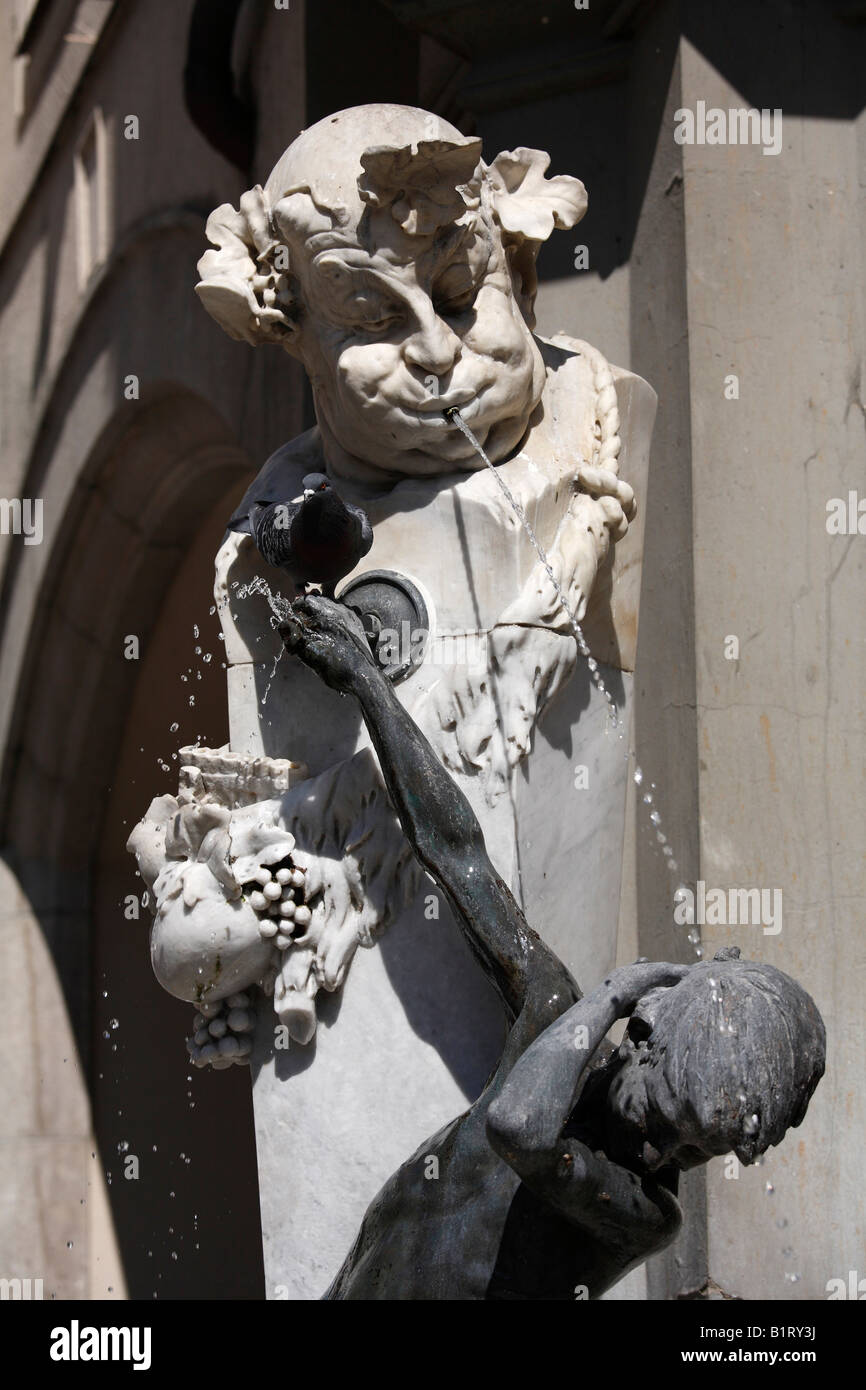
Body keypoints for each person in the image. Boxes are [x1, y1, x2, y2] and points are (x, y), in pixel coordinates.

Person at [279, 593, 826, 1301]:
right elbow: (457, 855)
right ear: (643, 1037)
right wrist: (365, 680)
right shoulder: (552, 1012)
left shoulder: (643, 1212)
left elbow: (519, 1128)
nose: (668, 1153)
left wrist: (615, 991)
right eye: (662, 1117)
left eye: (699, 1150)